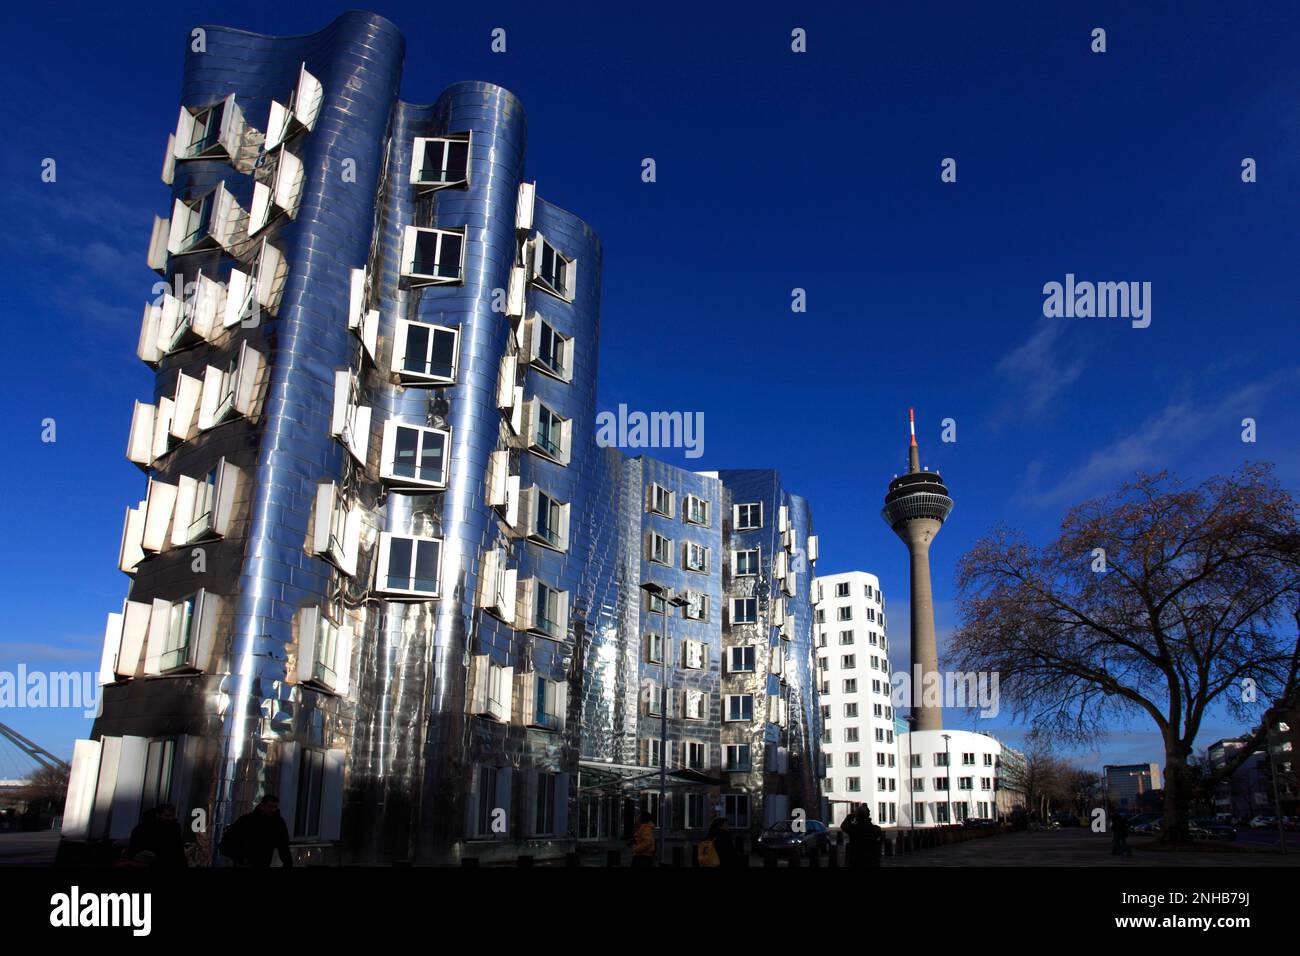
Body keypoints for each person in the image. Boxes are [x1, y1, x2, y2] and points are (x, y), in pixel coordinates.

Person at [219, 795, 294, 867]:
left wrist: (288, 862)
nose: (273, 810)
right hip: (246, 862)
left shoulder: (278, 823)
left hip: (261, 862)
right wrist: (240, 858)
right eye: (270, 807)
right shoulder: (247, 821)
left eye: (275, 807)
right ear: (262, 806)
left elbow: (283, 845)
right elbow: (229, 841)